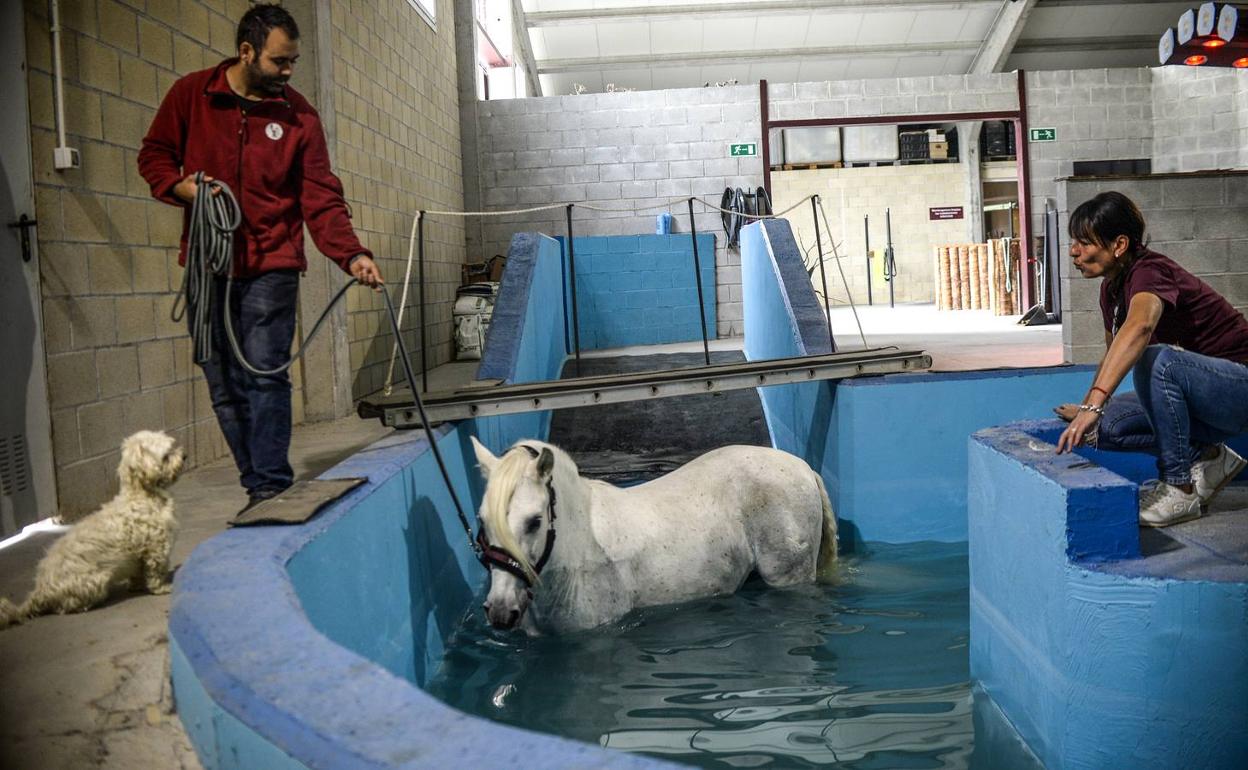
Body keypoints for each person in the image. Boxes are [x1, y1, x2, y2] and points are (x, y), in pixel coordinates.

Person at [138, 4, 384, 514]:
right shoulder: (192, 95)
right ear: (246, 52)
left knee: (265, 374)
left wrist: (351, 253)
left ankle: (270, 487)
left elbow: (320, 195)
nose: (289, 71)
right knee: (220, 376)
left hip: (272, 261)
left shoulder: (299, 116)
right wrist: (183, 187)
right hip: (208, 264)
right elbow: (154, 156)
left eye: (293, 60)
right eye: (280, 61)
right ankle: (256, 482)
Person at [1055, 191, 1248, 527]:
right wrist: (1091, 408)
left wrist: (1093, 406)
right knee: (1109, 427)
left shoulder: (1150, 271)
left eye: (1084, 242)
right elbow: (1114, 351)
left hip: (1239, 388)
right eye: (1074, 242)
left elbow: (1141, 327)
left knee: (1158, 361)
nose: (1074, 251)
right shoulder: (1111, 289)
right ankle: (1210, 458)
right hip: (1214, 398)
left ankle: (1180, 488)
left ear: (1119, 245)